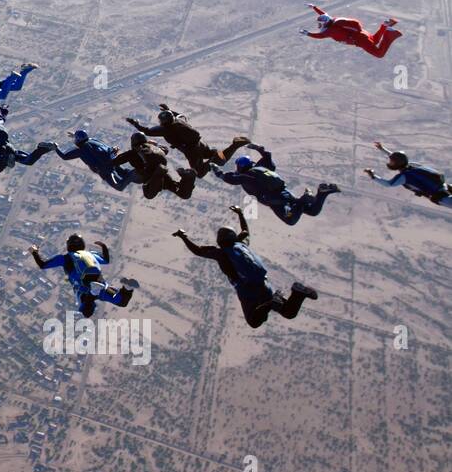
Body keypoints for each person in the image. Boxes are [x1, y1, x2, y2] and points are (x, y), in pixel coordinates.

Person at [173, 208, 318, 329]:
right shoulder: (242, 245)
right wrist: (241, 214)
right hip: (265, 285)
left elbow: (197, 250)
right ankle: (297, 293)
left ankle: (270, 304)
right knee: (288, 312)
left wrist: (183, 236)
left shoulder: (220, 253)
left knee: (254, 321)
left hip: (247, 290)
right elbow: (245, 230)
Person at [218, 146, 338, 225]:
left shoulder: (248, 176)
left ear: (241, 167)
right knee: (312, 211)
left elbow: (233, 179)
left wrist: (218, 173)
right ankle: (322, 193)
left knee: (290, 220)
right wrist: (259, 149)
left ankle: (303, 199)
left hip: (276, 201)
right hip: (285, 193)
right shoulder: (260, 168)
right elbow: (268, 156)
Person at [126, 104, 248, 178]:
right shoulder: (179, 121)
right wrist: (169, 110)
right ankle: (234, 145)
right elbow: (180, 115)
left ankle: (213, 159)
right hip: (200, 144)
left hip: (191, 151)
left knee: (199, 172)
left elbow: (147, 131)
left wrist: (135, 123)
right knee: (221, 160)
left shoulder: (165, 129)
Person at [30, 235, 135, 318]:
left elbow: (42, 265)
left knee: (86, 312)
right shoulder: (90, 254)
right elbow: (106, 260)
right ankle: (127, 288)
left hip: (84, 289)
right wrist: (104, 247)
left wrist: (34, 252)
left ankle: (92, 294)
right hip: (102, 285)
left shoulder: (64, 258)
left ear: (69, 246)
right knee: (122, 301)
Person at [110, 133, 196, 199]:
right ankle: (188, 177)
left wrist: (114, 153)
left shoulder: (132, 153)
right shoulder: (152, 147)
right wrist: (156, 145)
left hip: (148, 175)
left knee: (147, 194)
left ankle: (157, 175)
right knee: (182, 193)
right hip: (162, 172)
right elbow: (166, 150)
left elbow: (115, 162)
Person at [364, 141, 451, 207]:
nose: (390, 163)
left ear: (397, 164)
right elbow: (398, 158)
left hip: (442, 197)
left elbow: (388, 184)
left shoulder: (404, 176)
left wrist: (373, 176)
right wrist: (382, 149)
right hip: (446, 187)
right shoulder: (412, 164)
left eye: (392, 162)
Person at [301, 5, 401, 58]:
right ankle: (384, 26)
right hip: (361, 34)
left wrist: (308, 33)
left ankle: (389, 33)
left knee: (379, 54)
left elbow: (319, 36)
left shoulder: (330, 31)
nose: (319, 26)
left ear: (325, 23)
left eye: (320, 24)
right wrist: (314, 7)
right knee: (374, 41)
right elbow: (324, 14)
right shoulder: (334, 21)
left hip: (360, 39)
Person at [53, 129, 136, 190]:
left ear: (77, 140)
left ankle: (133, 174)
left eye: (75, 138)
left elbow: (64, 156)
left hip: (105, 171)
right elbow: (105, 148)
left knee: (119, 186)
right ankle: (134, 173)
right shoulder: (93, 140)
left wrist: (55, 148)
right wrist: (75, 135)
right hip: (113, 161)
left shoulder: (81, 150)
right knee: (125, 174)